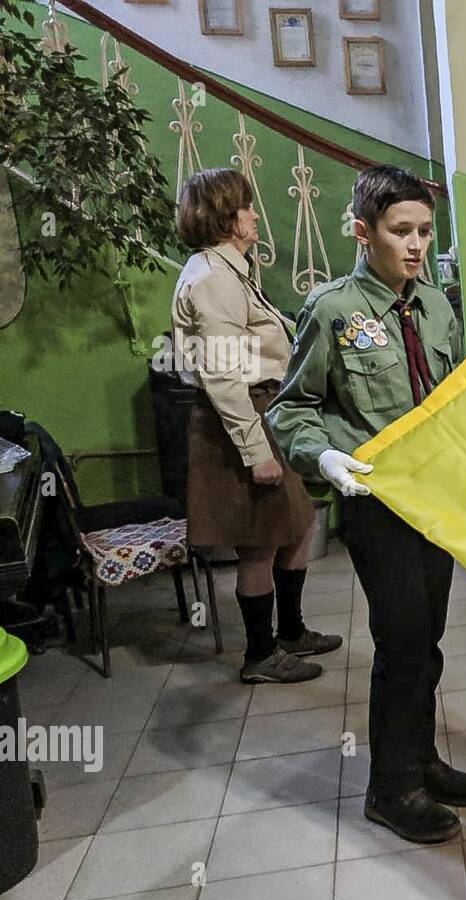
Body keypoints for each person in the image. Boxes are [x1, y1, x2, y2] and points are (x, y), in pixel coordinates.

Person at [268, 165, 466, 844]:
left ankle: (420, 758)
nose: (416, 244)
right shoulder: (333, 309)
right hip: (377, 501)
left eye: (424, 230)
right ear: (364, 233)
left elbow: (452, 395)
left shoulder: (438, 306)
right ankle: (391, 788)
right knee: (401, 640)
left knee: (429, 638)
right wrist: (324, 456)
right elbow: (291, 407)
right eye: (401, 231)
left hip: (437, 498)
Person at [171, 168, 341, 685]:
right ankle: (260, 655)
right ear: (224, 216)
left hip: (265, 410)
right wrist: (254, 451)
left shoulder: (230, 269)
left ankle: (291, 632)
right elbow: (223, 376)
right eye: (245, 207)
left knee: (296, 526)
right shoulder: (212, 278)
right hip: (241, 418)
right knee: (260, 542)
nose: (253, 214)